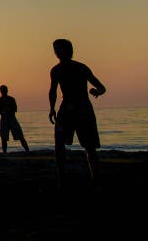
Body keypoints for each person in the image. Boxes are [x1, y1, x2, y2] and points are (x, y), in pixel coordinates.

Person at [48, 38, 106, 187]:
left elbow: (101, 87)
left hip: (83, 109)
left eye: (60, 48)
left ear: (69, 50)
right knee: (59, 142)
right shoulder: (56, 70)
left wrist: (97, 91)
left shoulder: (81, 68)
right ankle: (62, 178)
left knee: (90, 147)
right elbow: (53, 91)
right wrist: (52, 108)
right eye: (56, 49)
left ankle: (96, 178)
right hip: (65, 109)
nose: (57, 52)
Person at [0, 85, 30, 153]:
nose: (3, 91)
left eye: (4, 90)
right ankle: (4, 152)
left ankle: (27, 150)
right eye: (2, 90)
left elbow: (15, 109)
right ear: (0, 91)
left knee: (20, 135)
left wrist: (9, 110)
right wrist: (4, 111)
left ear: (7, 90)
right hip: (4, 119)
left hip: (12, 118)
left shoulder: (11, 99)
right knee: (4, 137)